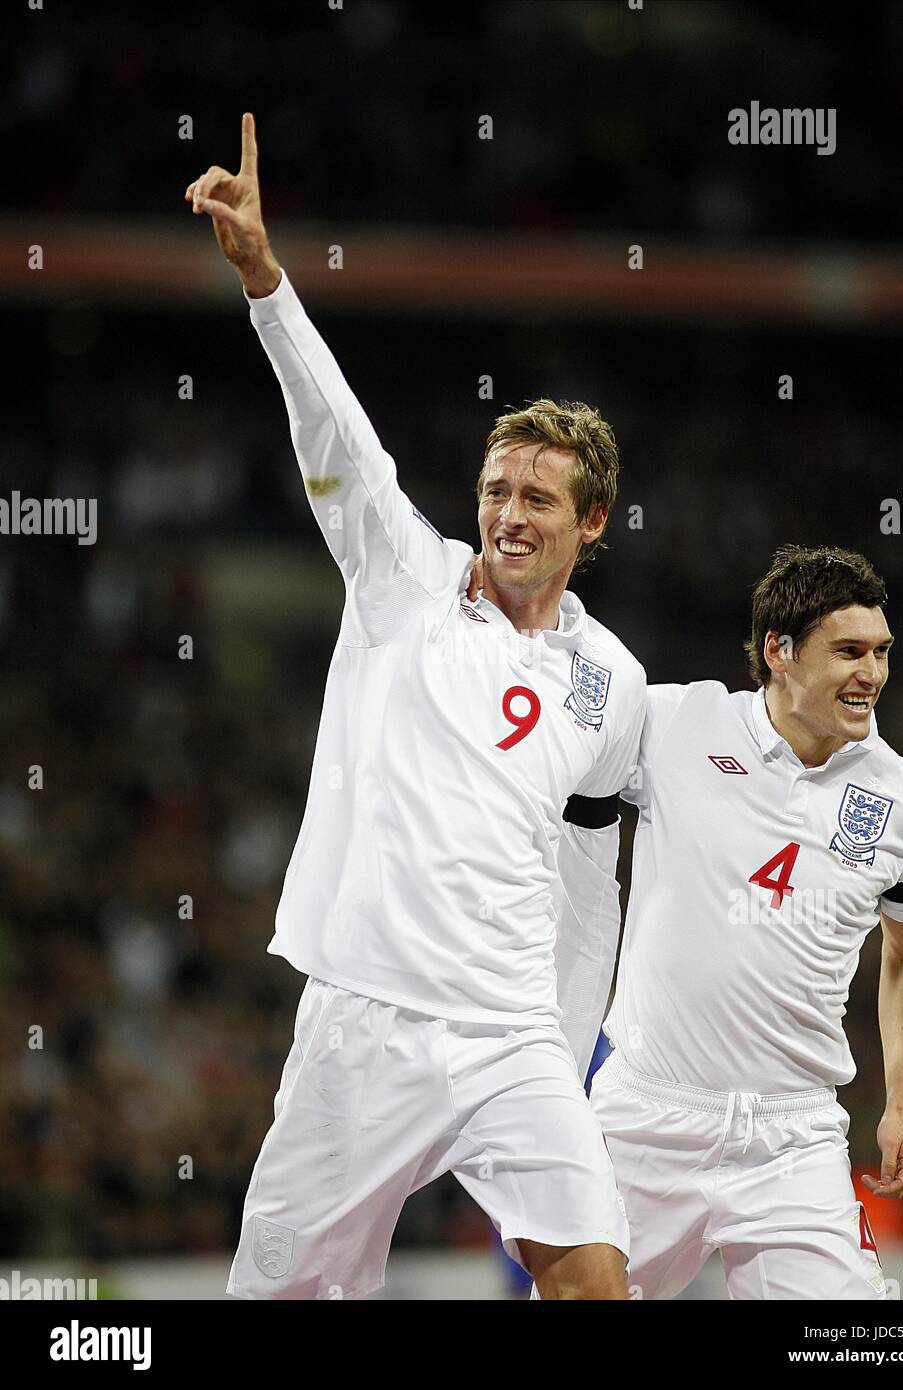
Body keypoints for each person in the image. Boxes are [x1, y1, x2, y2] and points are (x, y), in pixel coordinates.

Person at [186, 113, 645, 1300]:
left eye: (540, 498)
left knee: (598, 1282)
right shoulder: (408, 579)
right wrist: (266, 286)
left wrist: (569, 1044)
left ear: (591, 524)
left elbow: (591, 884)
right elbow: (340, 442)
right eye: (497, 488)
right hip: (364, 1026)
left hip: (508, 1035)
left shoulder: (613, 685)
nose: (509, 514)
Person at [557, 545, 903, 1300]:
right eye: (847, 651)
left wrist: (900, 1106)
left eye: (880, 652)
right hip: (644, 1115)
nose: (870, 673)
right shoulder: (675, 722)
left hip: (792, 1138)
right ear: (777, 650)